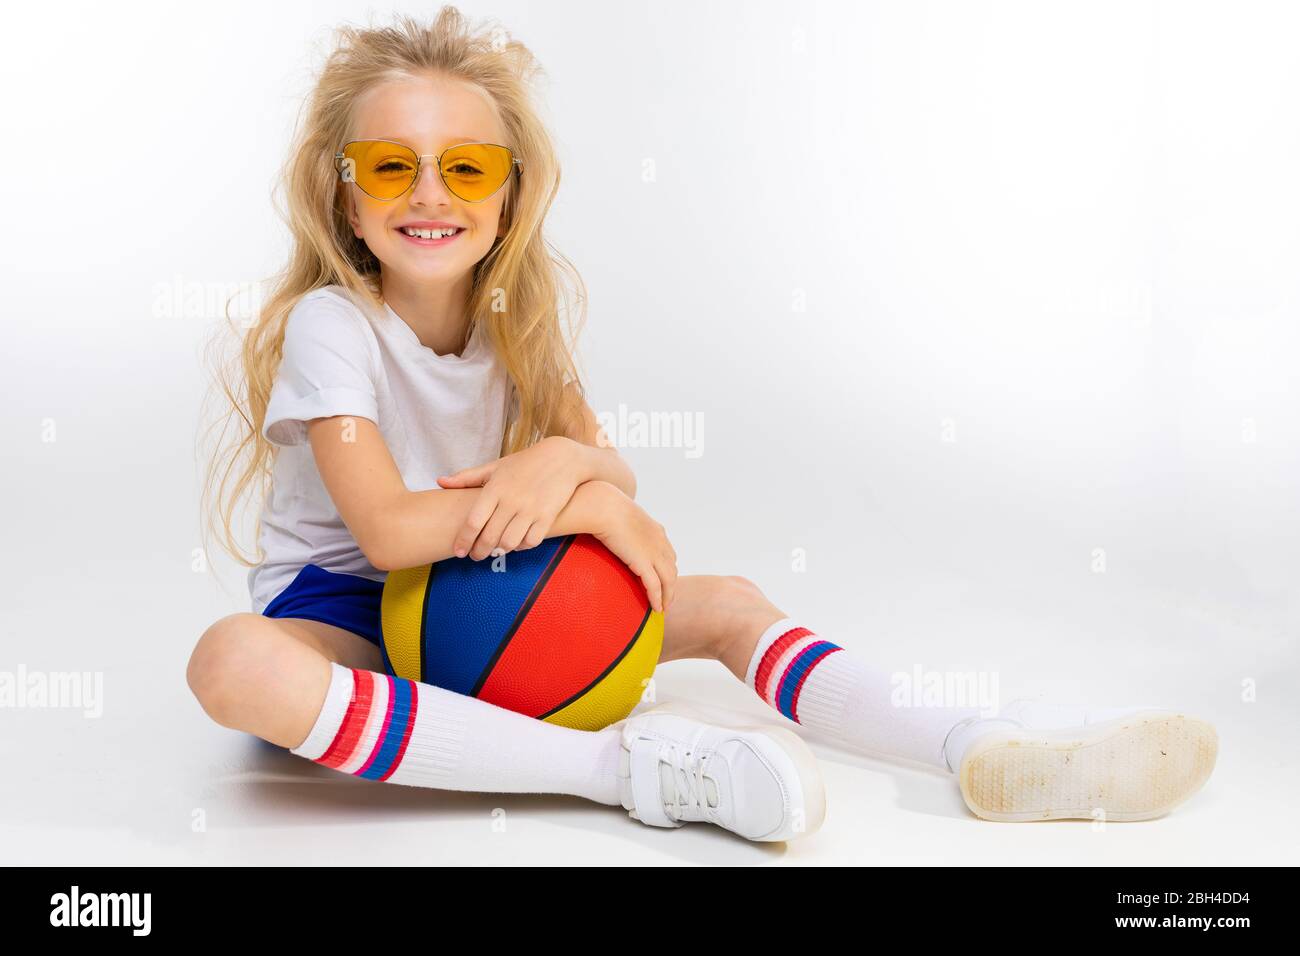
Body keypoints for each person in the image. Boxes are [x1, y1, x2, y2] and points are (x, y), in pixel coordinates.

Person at [189, 7, 1217, 844]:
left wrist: (571, 469)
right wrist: (581, 491)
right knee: (235, 663)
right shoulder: (334, 323)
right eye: (388, 166)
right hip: (352, 607)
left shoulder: (517, 317)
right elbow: (389, 534)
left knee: (724, 602)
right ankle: (620, 769)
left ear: (508, 196)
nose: (427, 194)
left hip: (477, 591)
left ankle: (971, 740)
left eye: (465, 168)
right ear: (344, 193)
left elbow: (607, 467)